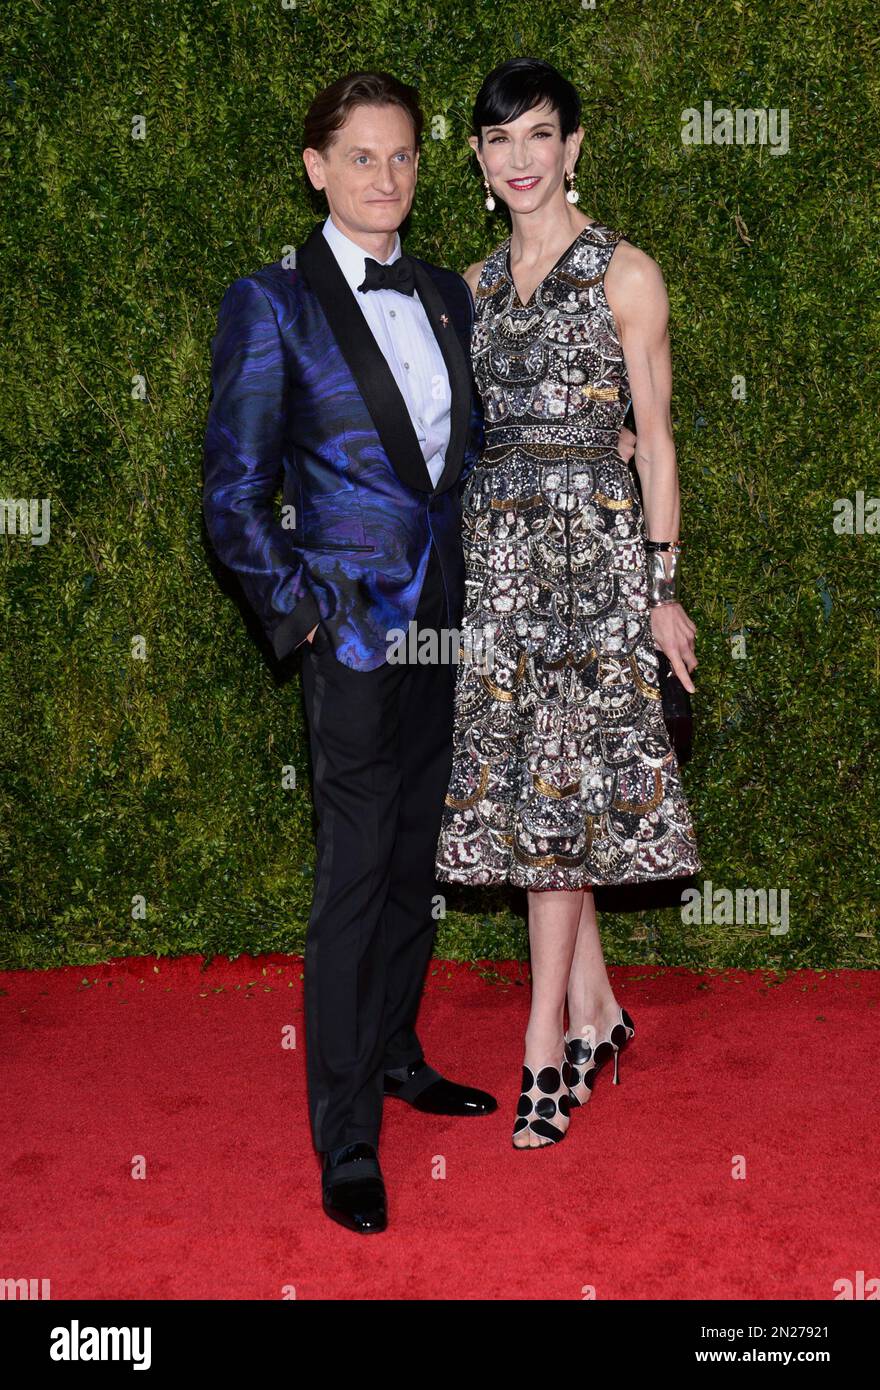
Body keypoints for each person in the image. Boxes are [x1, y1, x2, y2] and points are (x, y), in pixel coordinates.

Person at [202, 71, 501, 1234]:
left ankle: (393, 1053)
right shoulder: (270, 302)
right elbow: (232, 494)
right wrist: (304, 611)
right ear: (316, 167)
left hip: (446, 623)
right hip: (354, 636)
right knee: (354, 872)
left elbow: (454, 465)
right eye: (363, 157)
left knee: (417, 857)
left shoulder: (442, 293)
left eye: (405, 157)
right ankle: (345, 1136)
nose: (387, 177)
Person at [435, 58, 702, 1149]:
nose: (521, 157)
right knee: (543, 788)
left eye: (539, 134)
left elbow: (659, 439)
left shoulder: (624, 274)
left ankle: (544, 1041)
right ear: (479, 160)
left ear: (574, 145)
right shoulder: (470, 286)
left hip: (593, 571)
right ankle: (596, 1009)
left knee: (556, 791)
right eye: (499, 140)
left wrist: (663, 589)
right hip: (498, 567)